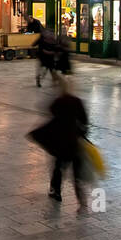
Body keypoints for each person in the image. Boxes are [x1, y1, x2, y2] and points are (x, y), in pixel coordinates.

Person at [28, 74, 89, 208]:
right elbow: (85, 121)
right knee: (77, 173)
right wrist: (82, 135)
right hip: (75, 142)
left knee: (58, 167)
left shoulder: (58, 102)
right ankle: (81, 200)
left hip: (62, 142)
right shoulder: (77, 101)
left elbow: (51, 112)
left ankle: (56, 192)